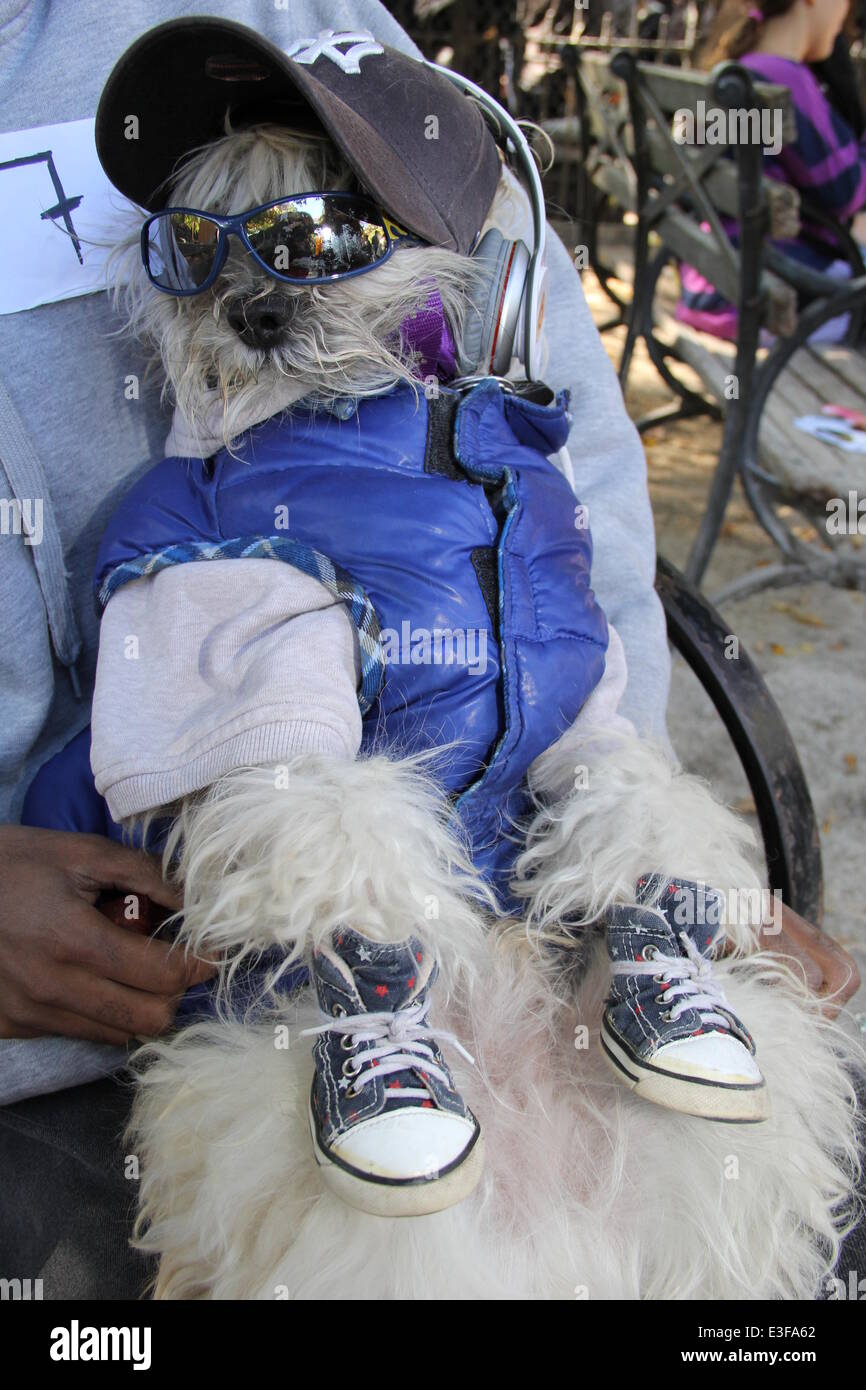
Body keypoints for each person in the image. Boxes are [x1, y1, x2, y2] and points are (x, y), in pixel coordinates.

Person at [0, 0, 667, 1295]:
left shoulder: (304, 22)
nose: (253, 289)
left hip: (456, 938)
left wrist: (638, 846)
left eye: (312, 242)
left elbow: (563, 479)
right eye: (195, 247)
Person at [677, 0, 866, 340]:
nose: (845, 20)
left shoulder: (741, 70)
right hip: (763, 301)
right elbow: (845, 191)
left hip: (711, 288)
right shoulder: (784, 78)